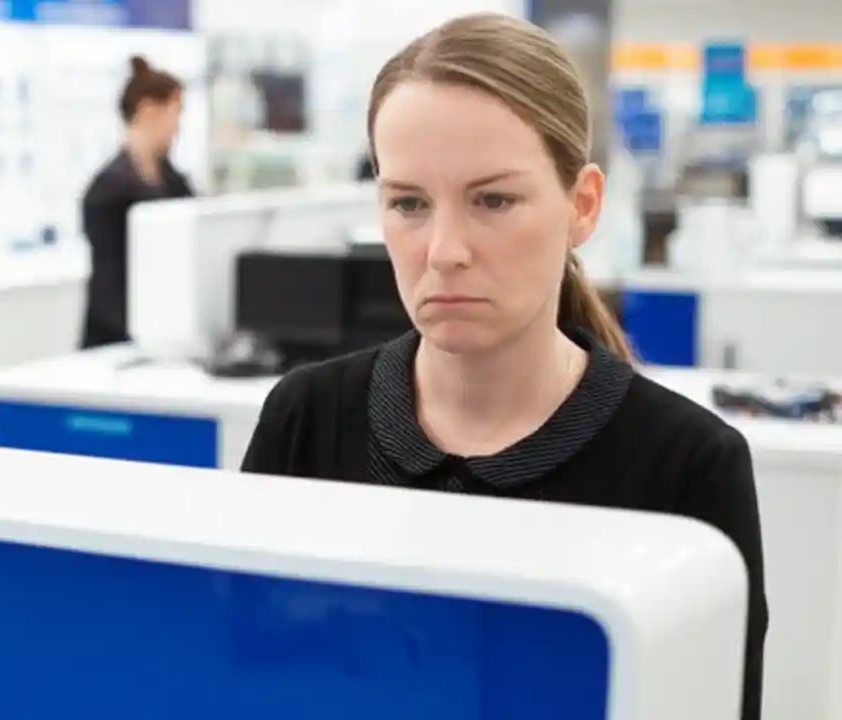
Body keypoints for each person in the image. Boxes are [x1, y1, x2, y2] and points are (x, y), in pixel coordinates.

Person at [241, 13, 767, 719]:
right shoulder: (305, 419)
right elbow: (241, 679)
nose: (444, 251)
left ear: (583, 206)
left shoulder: (686, 464)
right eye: (408, 203)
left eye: (493, 200)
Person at [80, 56, 195, 349]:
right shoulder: (107, 189)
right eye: (175, 113)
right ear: (147, 110)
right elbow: (109, 284)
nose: (178, 126)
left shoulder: (174, 182)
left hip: (166, 334)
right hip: (116, 339)